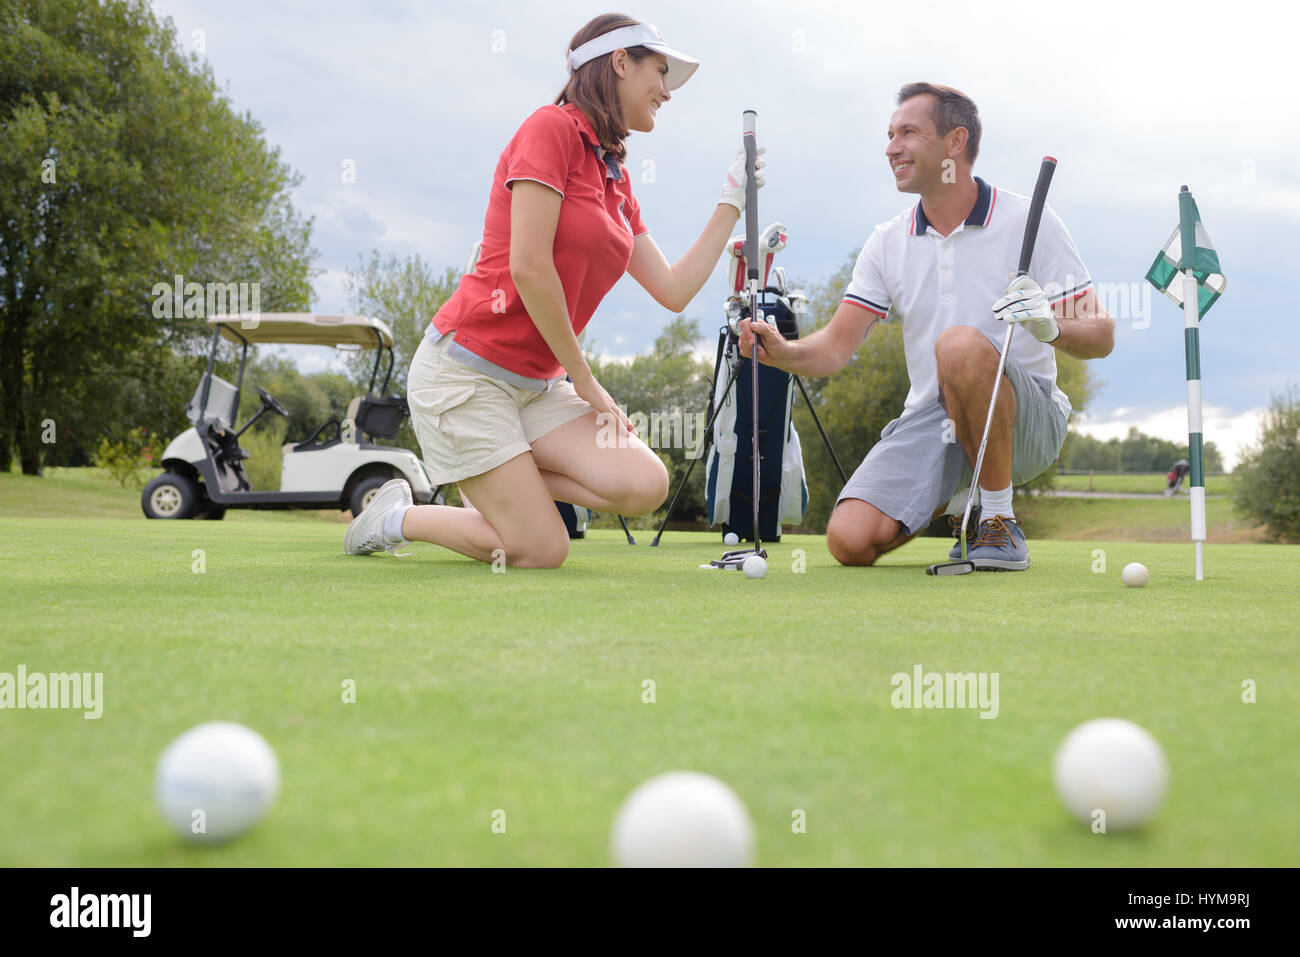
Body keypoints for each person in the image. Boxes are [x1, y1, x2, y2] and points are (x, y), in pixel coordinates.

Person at [345, 14, 764, 567]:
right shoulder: (551, 129)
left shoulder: (614, 176)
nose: (666, 91)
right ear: (620, 62)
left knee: (644, 483)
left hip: (535, 390)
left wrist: (733, 198)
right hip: (465, 376)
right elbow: (529, 269)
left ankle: (500, 482)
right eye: (659, 72)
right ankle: (396, 517)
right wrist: (586, 381)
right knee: (540, 550)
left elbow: (673, 289)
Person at [739, 82, 1114, 571]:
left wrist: (1049, 326)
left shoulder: (1030, 219)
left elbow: (1102, 336)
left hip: (1027, 420)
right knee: (849, 542)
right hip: (934, 422)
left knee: (958, 345)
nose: (891, 147)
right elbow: (835, 347)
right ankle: (964, 502)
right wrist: (782, 352)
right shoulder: (886, 242)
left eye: (908, 132)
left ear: (954, 144)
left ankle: (997, 519)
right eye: (890, 134)